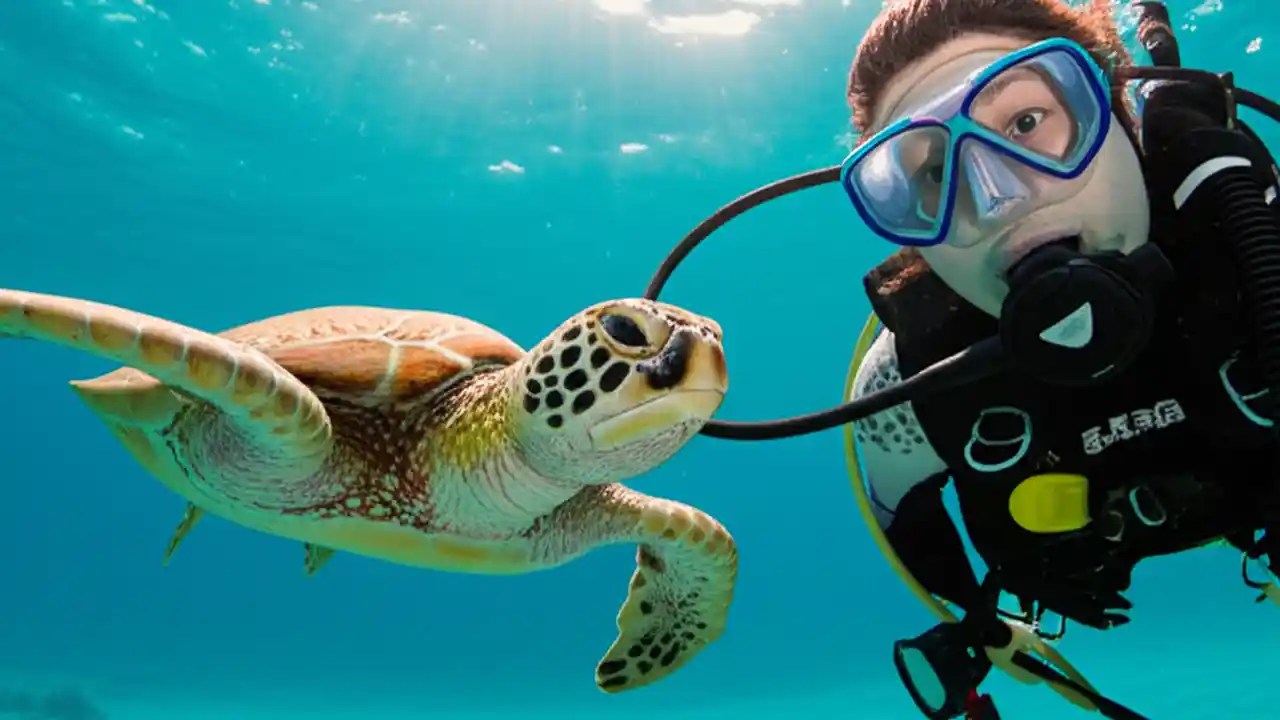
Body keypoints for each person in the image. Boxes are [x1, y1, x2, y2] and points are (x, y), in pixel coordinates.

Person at [841, 0, 1280, 717]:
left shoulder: (1253, 237)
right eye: (931, 175)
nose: (996, 197)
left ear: (1118, 115)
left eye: (1024, 123)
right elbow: (908, 521)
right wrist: (988, 625)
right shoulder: (909, 384)